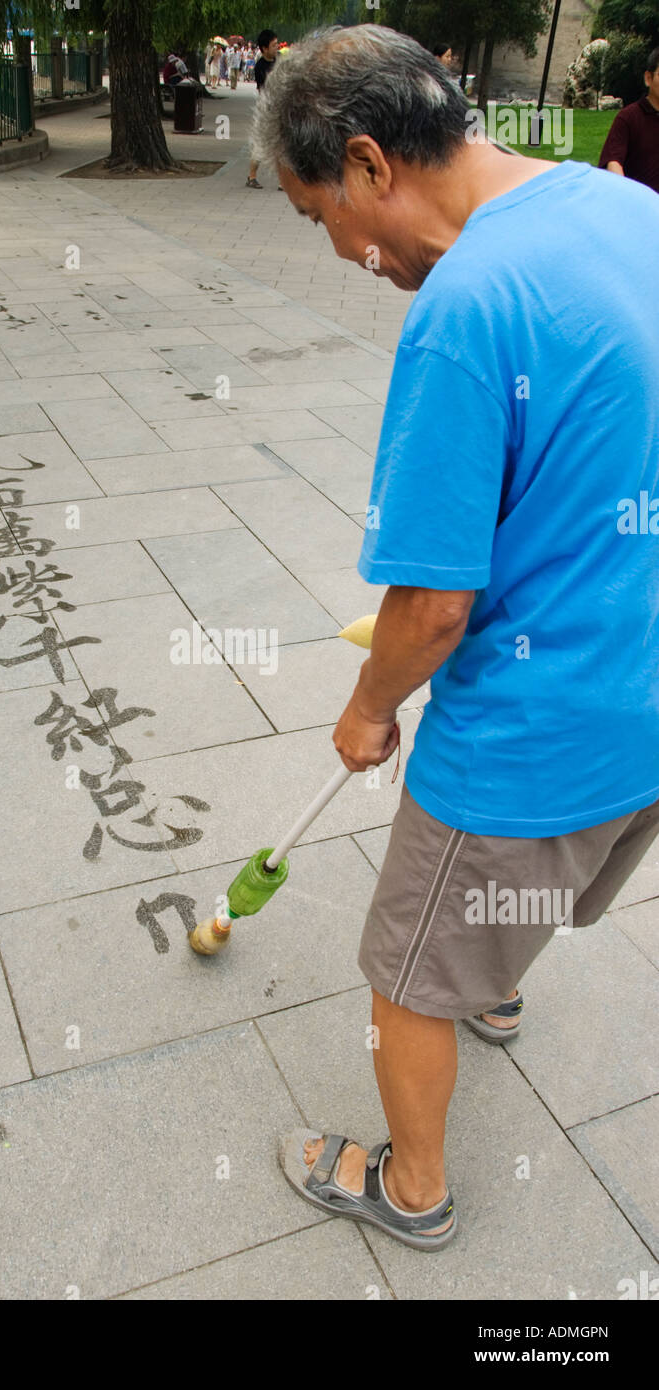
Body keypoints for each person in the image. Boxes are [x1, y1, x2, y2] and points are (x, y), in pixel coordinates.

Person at [252, 24, 659, 1249]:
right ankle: (499, 991)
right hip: (642, 696)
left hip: (541, 728)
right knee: (529, 891)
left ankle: (412, 1187)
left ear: (371, 163)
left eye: (315, 210)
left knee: (405, 969)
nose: (340, 251)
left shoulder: (468, 307)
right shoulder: (627, 207)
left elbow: (431, 607)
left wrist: (371, 706)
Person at [598, 44, 659, 194]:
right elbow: (613, 163)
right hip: (638, 206)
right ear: (648, 78)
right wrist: (627, 195)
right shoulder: (629, 118)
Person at [246, 29, 279, 188]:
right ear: (264, 48)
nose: (277, 48)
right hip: (265, 109)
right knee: (259, 144)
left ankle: (284, 182)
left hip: (280, 108)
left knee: (282, 145)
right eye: (273, 45)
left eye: (277, 44)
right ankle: (251, 177)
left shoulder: (280, 60)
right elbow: (264, 89)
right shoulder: (260, 66)